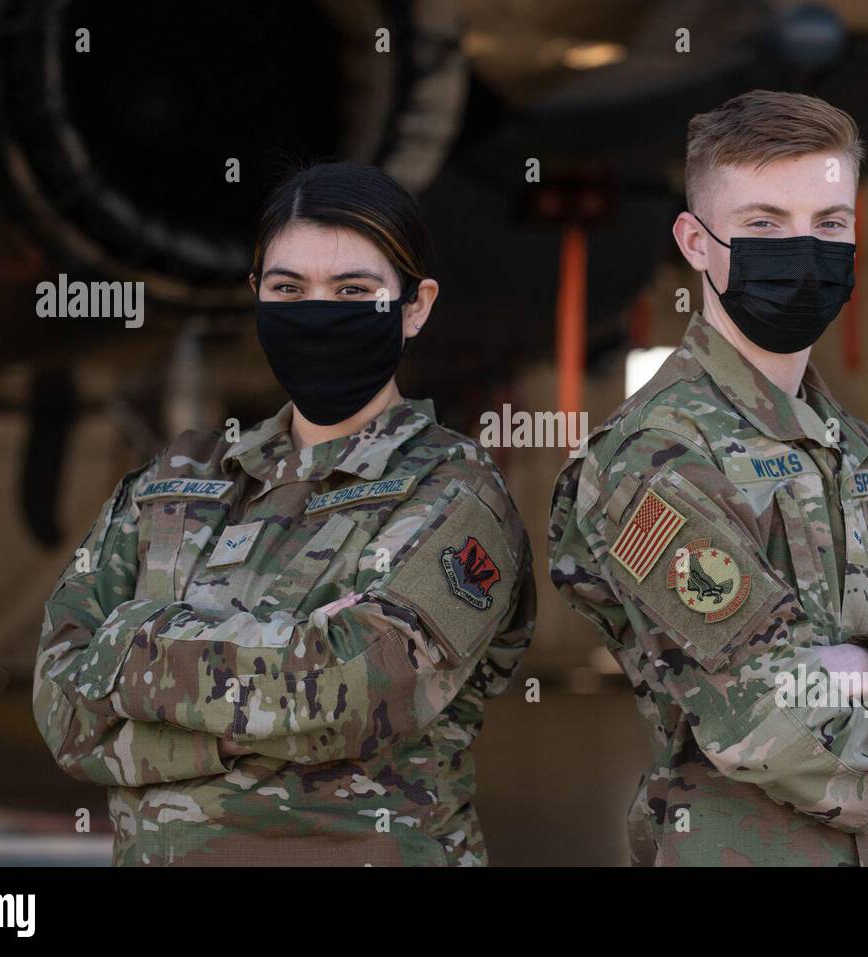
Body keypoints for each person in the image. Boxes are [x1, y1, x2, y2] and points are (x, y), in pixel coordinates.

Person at [547, 90, 868, 866]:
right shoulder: (657, 453)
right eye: (764, 225)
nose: (802, 251)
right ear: (695, 241)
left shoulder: (857, 451)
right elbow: (769, 726)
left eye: (829, 225)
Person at [33, 161, 535, 866]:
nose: (317, 310)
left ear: (414, 305)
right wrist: (269, 717)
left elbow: (352, 688)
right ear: (257, 297)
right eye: (289, 288)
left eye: (353, 290)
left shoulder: (452, 491)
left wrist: (132, 646)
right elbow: (61, 703)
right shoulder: (178, 478)